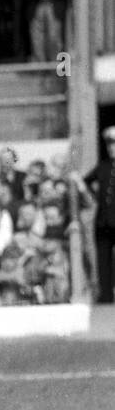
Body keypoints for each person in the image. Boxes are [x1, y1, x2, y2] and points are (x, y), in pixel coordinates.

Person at [76, 128, 115, 303]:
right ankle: (106, 296)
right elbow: (85, 182)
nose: (111, 147)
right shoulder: (103, 166)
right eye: (109, 144)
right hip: (104, 222)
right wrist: (87, 192)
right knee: (103, 262)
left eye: (114, 143)